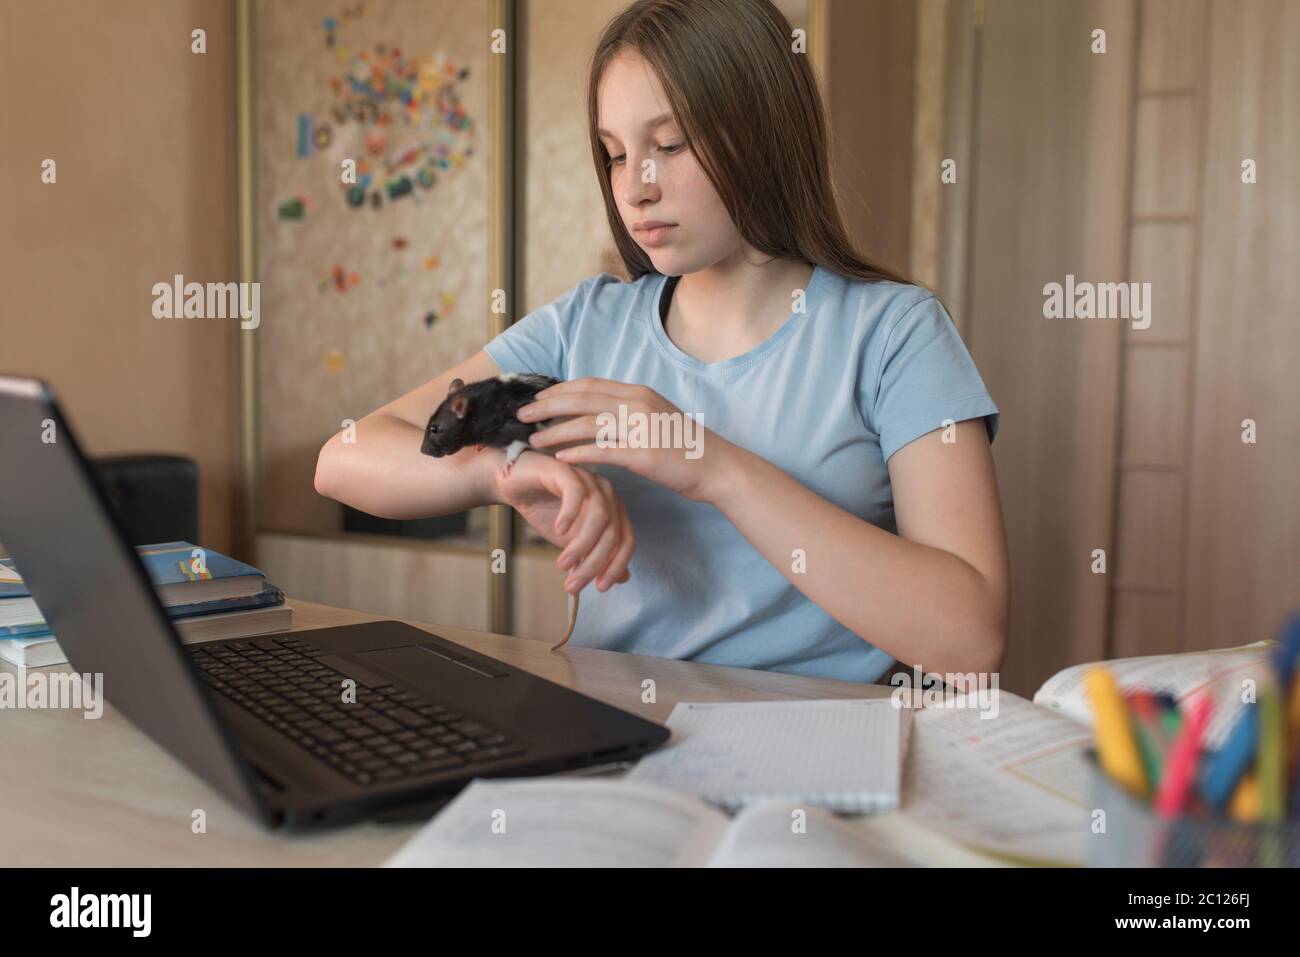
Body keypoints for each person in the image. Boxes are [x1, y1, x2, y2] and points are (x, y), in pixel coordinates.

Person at [315, 0, 1009, 683]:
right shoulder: (585, 324)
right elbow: (343, 459)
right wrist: (500, 475)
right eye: (614, 154)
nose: (634, 188)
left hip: (819, 757)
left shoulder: (896, 334)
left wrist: (715, 467)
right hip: (620, 742)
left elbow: (970, 637)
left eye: (668, 146)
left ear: (762, 132)